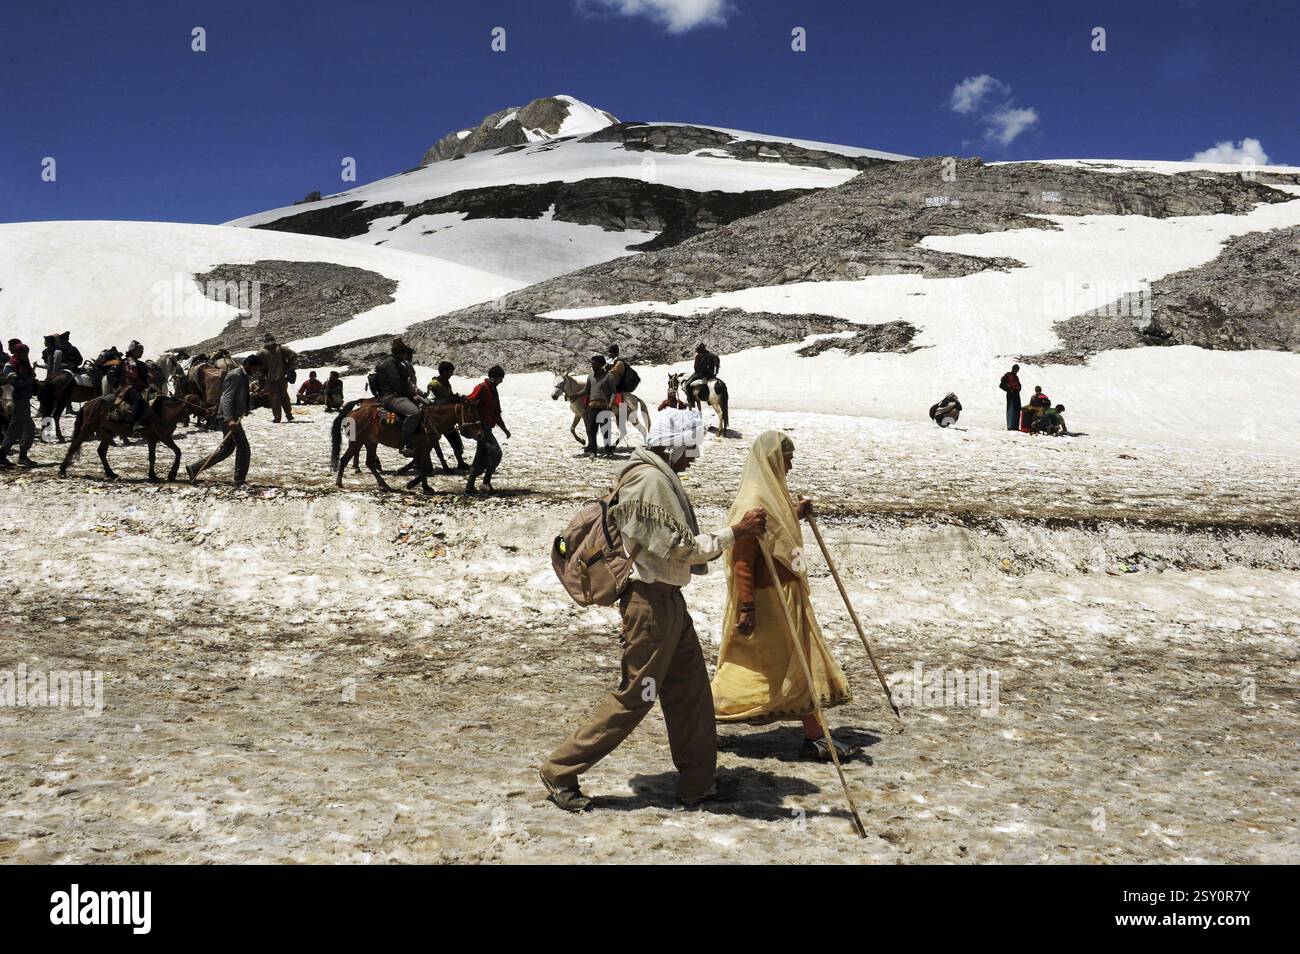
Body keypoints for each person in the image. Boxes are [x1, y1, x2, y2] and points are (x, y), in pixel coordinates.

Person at [540, 408, 768, 812]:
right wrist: (737, 533)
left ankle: (697, 783)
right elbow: (680, 547)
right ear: (675, 442)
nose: (695, 456)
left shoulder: (659, 477)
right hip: (650, 607)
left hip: (669, 602)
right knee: (636, 697)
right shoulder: (649, 483)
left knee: (692, 693)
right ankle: (561, 769)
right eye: (692, 446)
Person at [711, 432, 855, 760]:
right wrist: (746, 607)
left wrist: (795, 512)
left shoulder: (769, 497)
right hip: (766, 603)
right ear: (771, 461)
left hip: (786, 599)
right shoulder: (751, 505)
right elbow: (742, 561)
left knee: (796, 666)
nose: (789, 466)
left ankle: (815, 734)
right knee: (757, 666)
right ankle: (703, 716)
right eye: (785, 459)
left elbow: (776, 528)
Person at [187, 354, 262, 485]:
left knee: (226, 450)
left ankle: (194, 468)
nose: (256, 372)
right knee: (244, 448)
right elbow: (226, 398)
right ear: (249, 365)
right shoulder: (236, 375)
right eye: (255, 369)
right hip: (229, 418)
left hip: (233, 417)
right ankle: (239, 480)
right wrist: (229, 419)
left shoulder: (242, 375)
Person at [372, 338, 424, 456]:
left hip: (398, 395)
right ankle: (407, 442)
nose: (406, 355)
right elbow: (398, 384)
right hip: (391, 397)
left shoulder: (396, 363)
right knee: (414, 412)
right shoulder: (391, 364)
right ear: (400, 353)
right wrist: (411, 395)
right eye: (405, 352)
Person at [465, 365, 510, 495]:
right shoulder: (482, 388)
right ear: (493, 378)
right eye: (500, 378)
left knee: (481, 455)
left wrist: (504, 429)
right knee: (495, 453)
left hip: (487, 428)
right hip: (482, 428)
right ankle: (485, 482)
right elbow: (468, 401)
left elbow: (496, 413)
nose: (501, 381)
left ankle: (470, 486)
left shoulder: (493, 390)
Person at [0, 343, 39, 468]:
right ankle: (22, 456)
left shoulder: (24, 364)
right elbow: (16, 383)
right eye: (23, 353)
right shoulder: (10, 366)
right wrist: (30, 380)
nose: (25, 355)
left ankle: (3, 455)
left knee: (14, 430)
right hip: (18, 400)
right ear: (17, 353)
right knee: (29, 427)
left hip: (25, 400)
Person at [425, 360, 468, 469]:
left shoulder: (447, 383)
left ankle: (460, 461)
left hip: (448, 419)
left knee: (456, 441)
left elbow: (450, 396)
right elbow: (430, 401)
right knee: (429, 444)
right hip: (437, 419)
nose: (451, 375)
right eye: (449, 372)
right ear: (443, 372)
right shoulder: (433, 385)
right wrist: (447, 400)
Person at [257, 333, 297, 423]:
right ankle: (289, 415)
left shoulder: (261, 352)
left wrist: (262, 378)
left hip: (270, 379)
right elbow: (293, 355)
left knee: (274, 397)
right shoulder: (280, 348)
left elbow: (259, 367)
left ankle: (277, 417)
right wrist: (288, 366)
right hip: (282, 377)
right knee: (284, 396)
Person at [582, 355, 614, 458]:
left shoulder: (609, 376)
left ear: (601, 365)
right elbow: (586, 391)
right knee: (592, 430)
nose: (592, 365)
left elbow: (613, 392)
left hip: (604, 407)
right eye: (592, 363)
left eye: (594, 364)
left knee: (605, 430)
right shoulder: (590, 377)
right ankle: (593, 452)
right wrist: (575, 395)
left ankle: (608, 451)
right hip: (592, 407)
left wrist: (610, 404)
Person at [999, 363, 1022, 431]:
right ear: (1013, 369)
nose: (1016, 371)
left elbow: (1019, 385)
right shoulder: (1007, 376)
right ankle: (1010, 426)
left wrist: (1019, 388)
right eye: (1016, 369)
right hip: (1011, 395)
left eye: (1017, 370)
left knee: (1017, 409)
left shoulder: (1016, 377)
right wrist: (1009, 390)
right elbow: (1001, 385)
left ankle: (1015, 426)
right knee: (1011, 409)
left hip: (1016, 395)